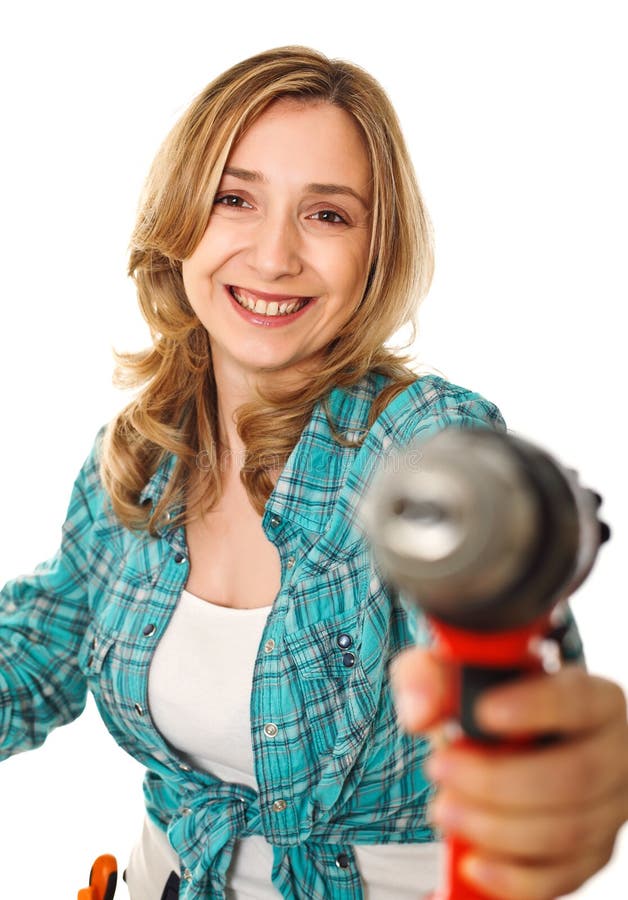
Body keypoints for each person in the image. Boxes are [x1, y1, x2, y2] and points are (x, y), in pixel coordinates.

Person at [0, 44, 626, 900]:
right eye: (235, 199)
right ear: (182, 219)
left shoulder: (424, 445)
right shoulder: (141, 454)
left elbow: (525, 706)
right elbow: (39, 649)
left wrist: (552, 784)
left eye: (327, 215)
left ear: (375, 251)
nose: (272, 256)